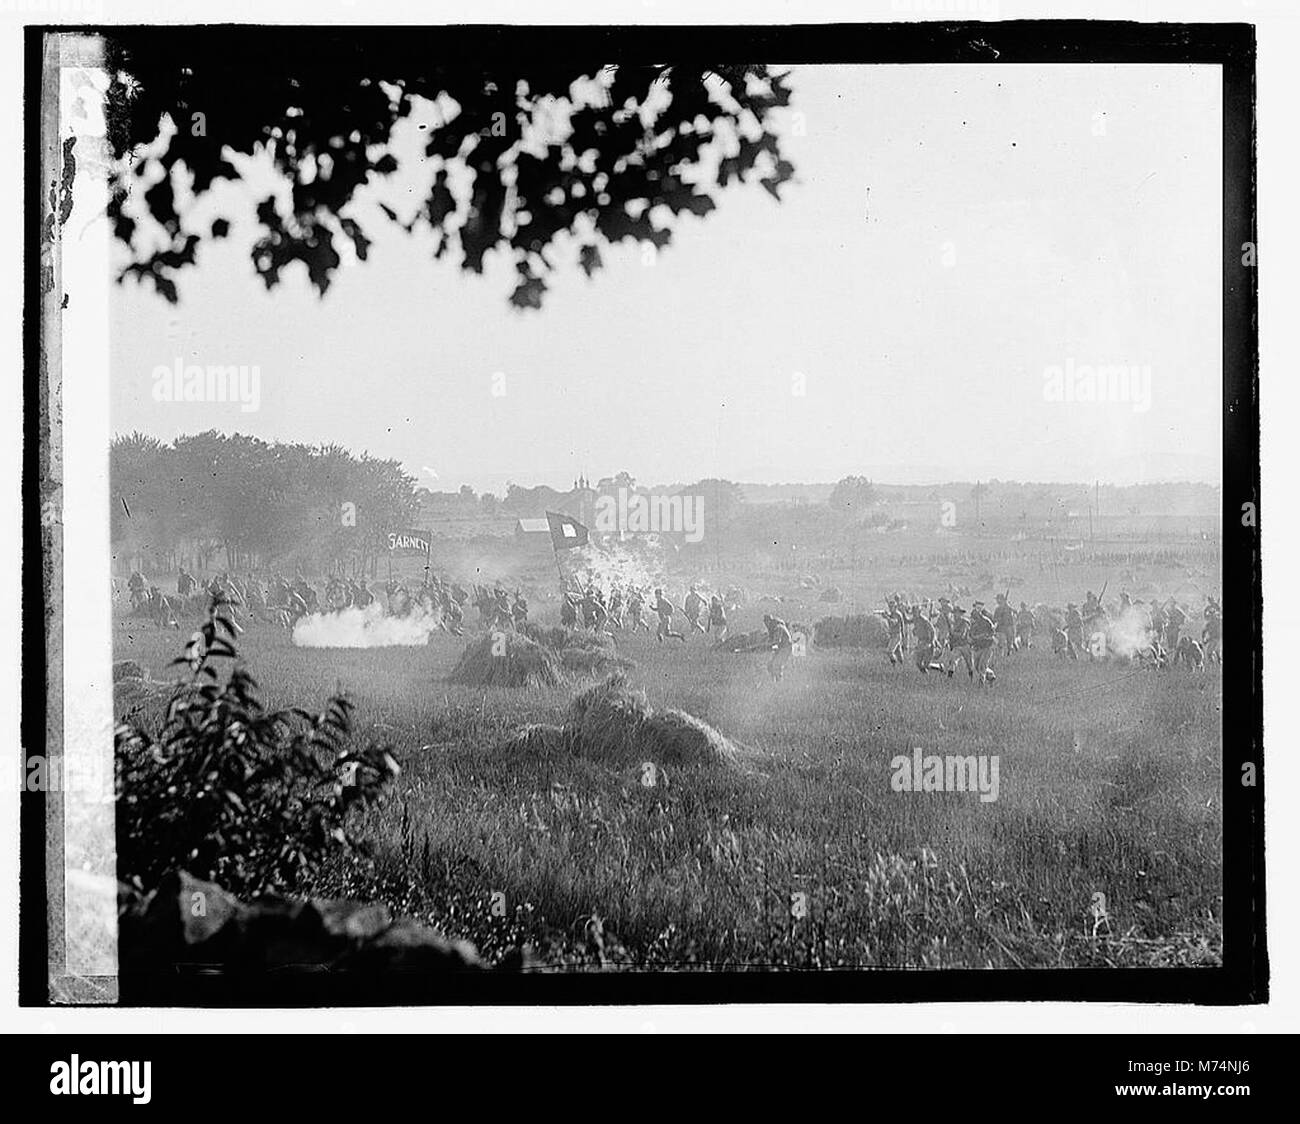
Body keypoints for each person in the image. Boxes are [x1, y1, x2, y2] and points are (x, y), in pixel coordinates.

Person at [969, 601, 997, 685]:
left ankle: (981, 684)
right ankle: (991, 676)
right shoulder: (973, 624)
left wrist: (985, 636)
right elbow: (971, 635)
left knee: (982, 666)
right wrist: (976, 638)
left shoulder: (986, 621)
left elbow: (992, 632)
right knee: (977, 667)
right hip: (977, 647)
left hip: (987, 646)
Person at [764, 613, 794, 681]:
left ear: (770, 621)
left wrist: (768, 645)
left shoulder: (778, 627)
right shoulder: (774, 628)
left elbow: (776, 642)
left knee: (776, 665)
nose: (766, 624)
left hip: (786, 648)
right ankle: (773, 682)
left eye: (767, 622)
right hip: (781, 648)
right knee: (770, 665)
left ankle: (779, 682)